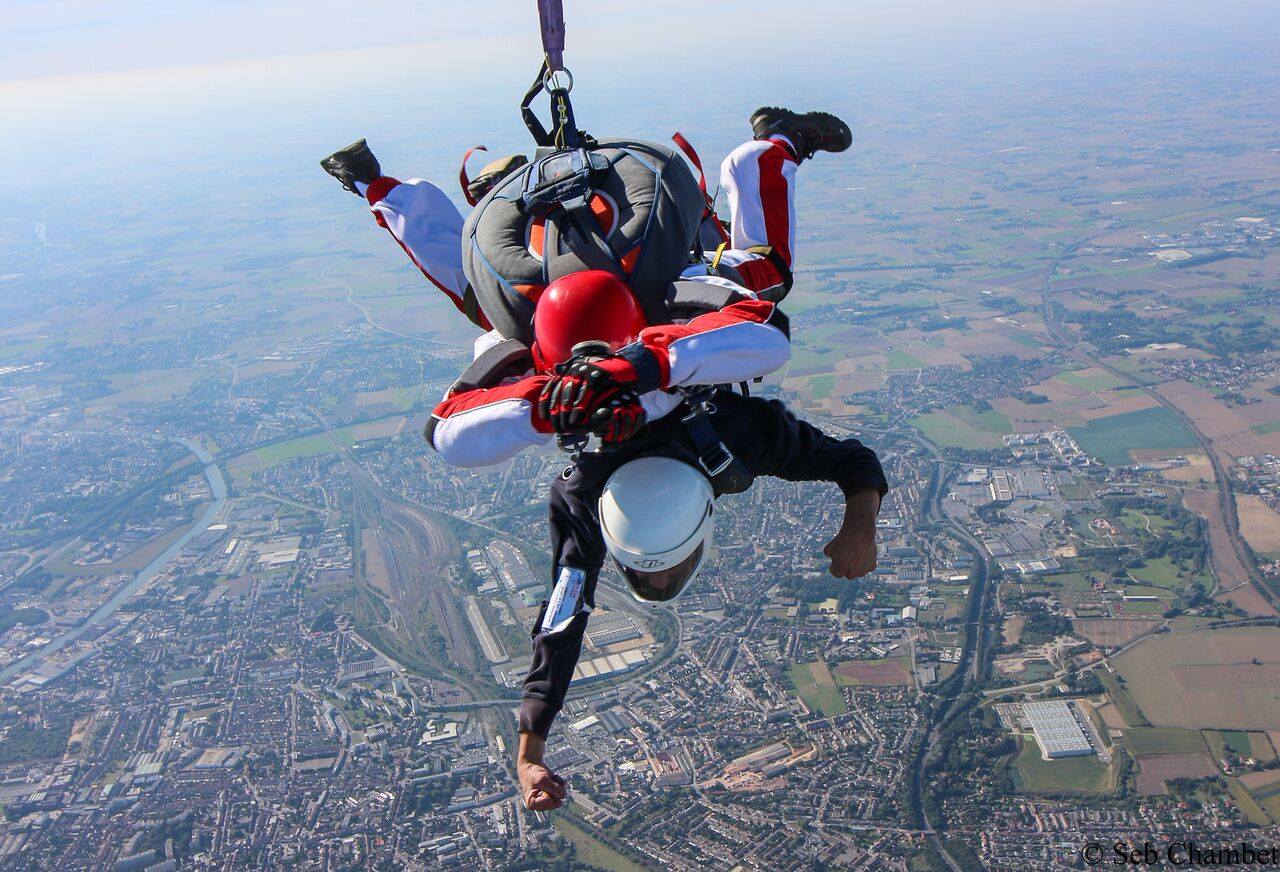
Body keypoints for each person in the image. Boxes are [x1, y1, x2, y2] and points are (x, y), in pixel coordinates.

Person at [319, 107, 853, 334]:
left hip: (643, 284)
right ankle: (772, 148)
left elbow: (435, 246)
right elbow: (435, 244)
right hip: (621, 265)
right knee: (479, 291)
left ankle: (776, 146)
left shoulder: (518, 319)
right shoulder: (514, 319)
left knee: (767, 275)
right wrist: (374, 187)